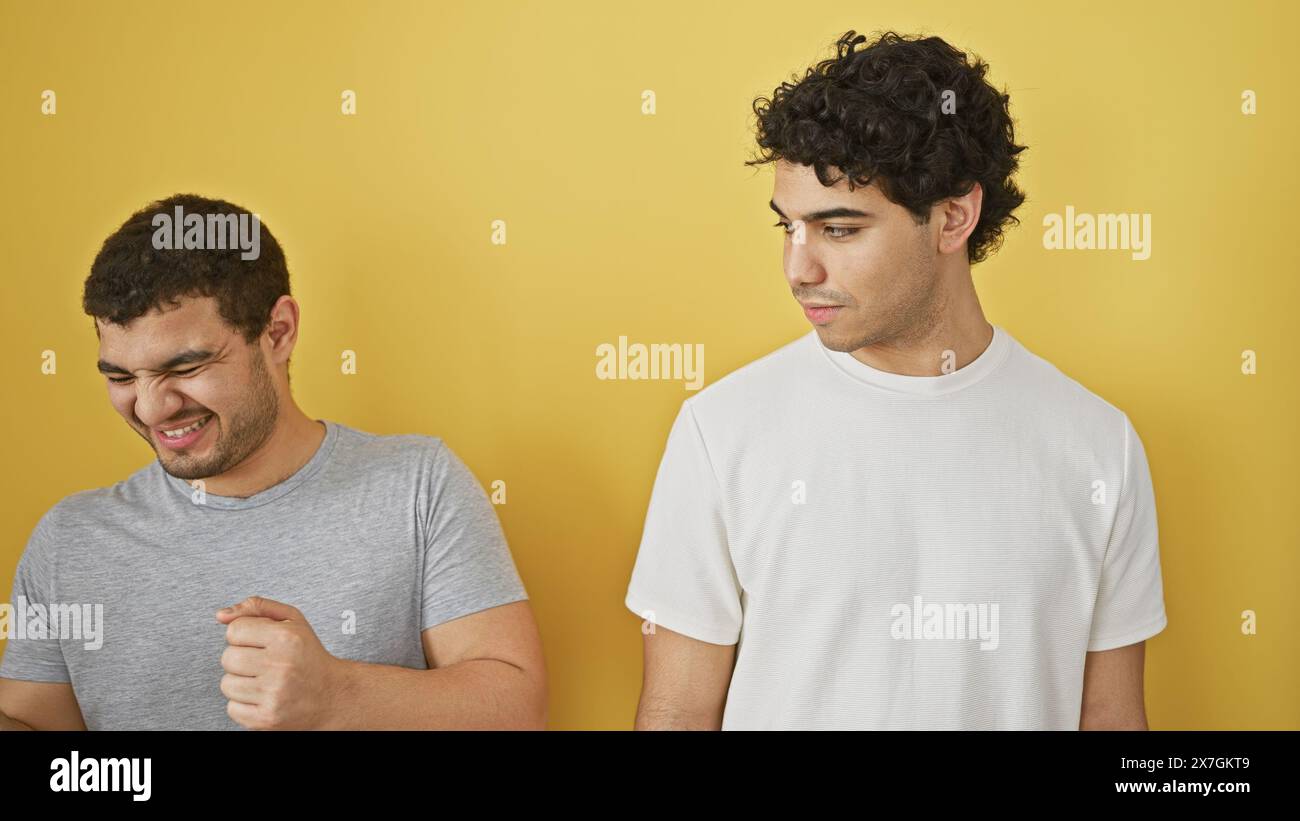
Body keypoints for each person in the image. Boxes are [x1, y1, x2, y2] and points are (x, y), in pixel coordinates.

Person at [625, 31, 1167, 730]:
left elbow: (1114, 721)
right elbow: (675, 711)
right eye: (787, 227)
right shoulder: (721, 430)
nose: (798, 268)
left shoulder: (1098, 447)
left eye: (839, 230)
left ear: (953, 217)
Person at [0, 194, 546, 730]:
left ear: (277, 332)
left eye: (185, 368)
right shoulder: (69, 539)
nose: (149, 407)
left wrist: (337, 695)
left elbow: (518, 710)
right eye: (120, 377)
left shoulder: (419, 486)